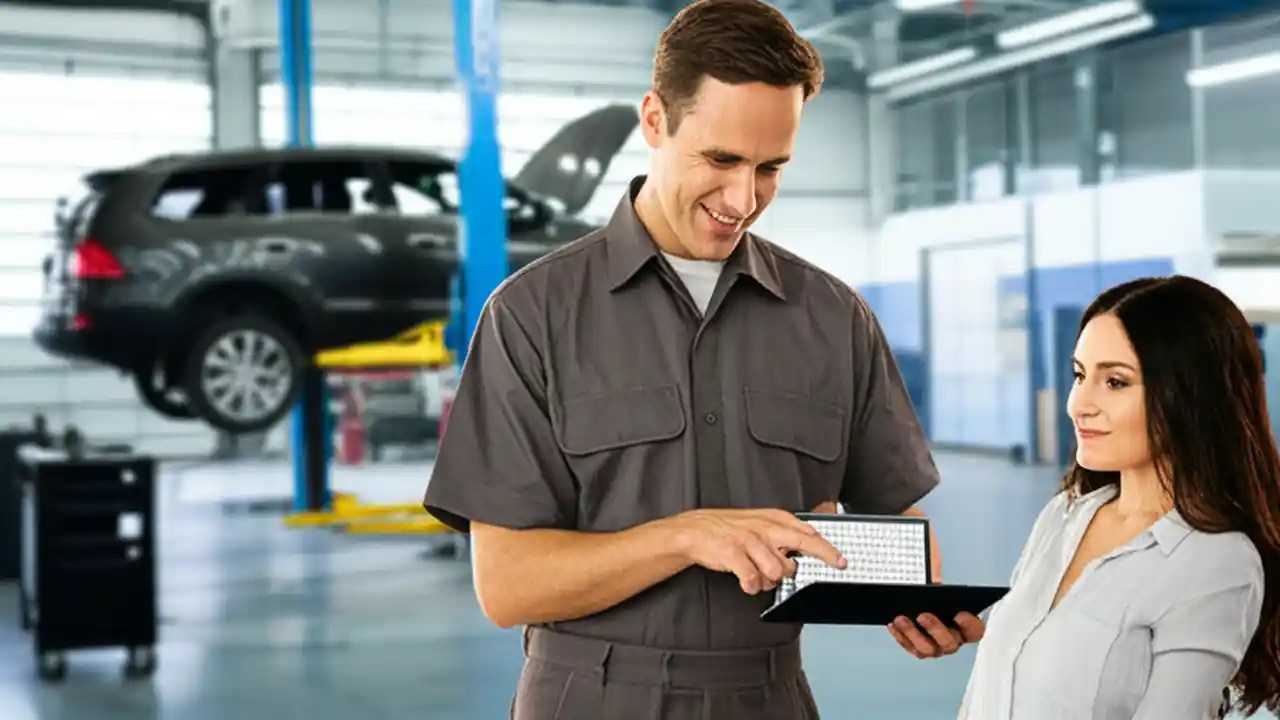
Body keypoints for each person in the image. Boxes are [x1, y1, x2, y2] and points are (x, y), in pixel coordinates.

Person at [422, 0, 946, 717]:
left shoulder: (832, 317)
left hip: (768, 693)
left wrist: (916, 598)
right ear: (654, 120)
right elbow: (508, 587)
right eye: (722, 159)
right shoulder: (532, 316)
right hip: (590, 695)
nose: (743, 198)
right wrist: (686, 535)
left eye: (771, 167)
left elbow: (896, 514)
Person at [889, 275, 1280, 719]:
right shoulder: (1067, 513)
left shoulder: (1216, 561)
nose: (1079, 404)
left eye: (1115, 382)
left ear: (1190, 394)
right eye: (1079, 375)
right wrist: (963, 628)